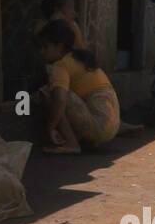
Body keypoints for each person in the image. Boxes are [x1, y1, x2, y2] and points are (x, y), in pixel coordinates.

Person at [37, 19, 120, 154]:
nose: (41, 52)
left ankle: (71, 143)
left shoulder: (60, 65)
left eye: (45, 47)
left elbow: (60, 100)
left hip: (99, 127)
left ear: (59, 46)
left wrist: (50, 127)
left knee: (47, 92)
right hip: (112, 127)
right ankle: (83, 140)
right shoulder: (80, 58)